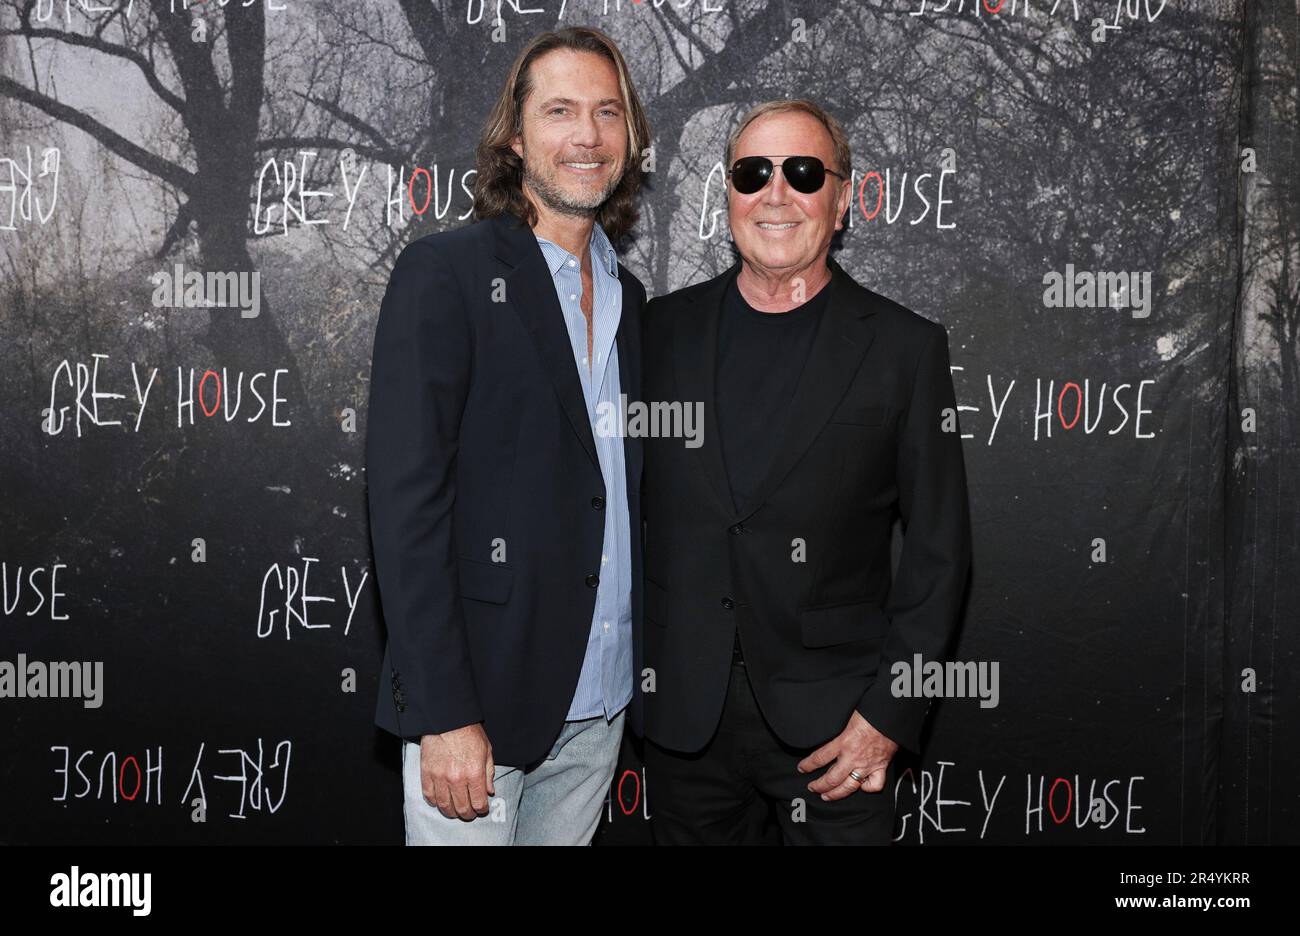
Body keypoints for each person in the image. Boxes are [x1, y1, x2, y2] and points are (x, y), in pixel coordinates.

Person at [638, 99, 972, 844]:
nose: (776, 193)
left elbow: (940, 555)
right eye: (753, 173)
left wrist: (888, 716)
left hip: (838, 730)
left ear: (844, 197)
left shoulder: (904, 349)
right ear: (727, 194)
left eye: (803, 172)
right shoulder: (658, 331)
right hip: (680, 721)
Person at [365, 26, 652, 845]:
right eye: (560, 110)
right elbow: (405, 505)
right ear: (516, 136)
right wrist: (443, 711)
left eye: (607, 112)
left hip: (599, 710)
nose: (587, 135)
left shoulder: (631, 301)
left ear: (629, 140)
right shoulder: (447, 274)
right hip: (478, 711)